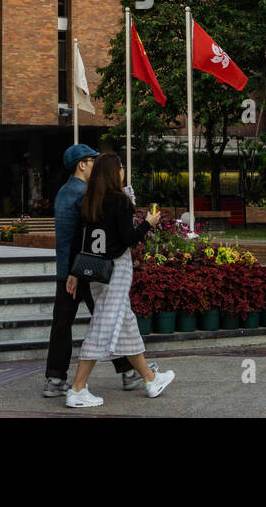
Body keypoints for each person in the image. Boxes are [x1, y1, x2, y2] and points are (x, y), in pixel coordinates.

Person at [64, 153, 174, 408]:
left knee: (126, 323)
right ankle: (77, 389)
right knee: (102, 324)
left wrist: (73, 272)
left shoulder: (88, 201)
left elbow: (78, 241)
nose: (123, 171)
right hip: (118, 268)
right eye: (121, 168)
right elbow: (128, 238)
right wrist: (148, 223)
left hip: (95, 271)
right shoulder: (120, 201)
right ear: (114, 173)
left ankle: (150, 378)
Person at [43, 146, 144, 398]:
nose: (95, 166)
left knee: (63, 324)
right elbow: (89, 235)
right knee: (108, 318)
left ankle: (55, 378)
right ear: (82, 165)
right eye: (92, 161)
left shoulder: (63, 193)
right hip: (87, 268)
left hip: (67, 269)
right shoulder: (85, 194)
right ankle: (128, 373)